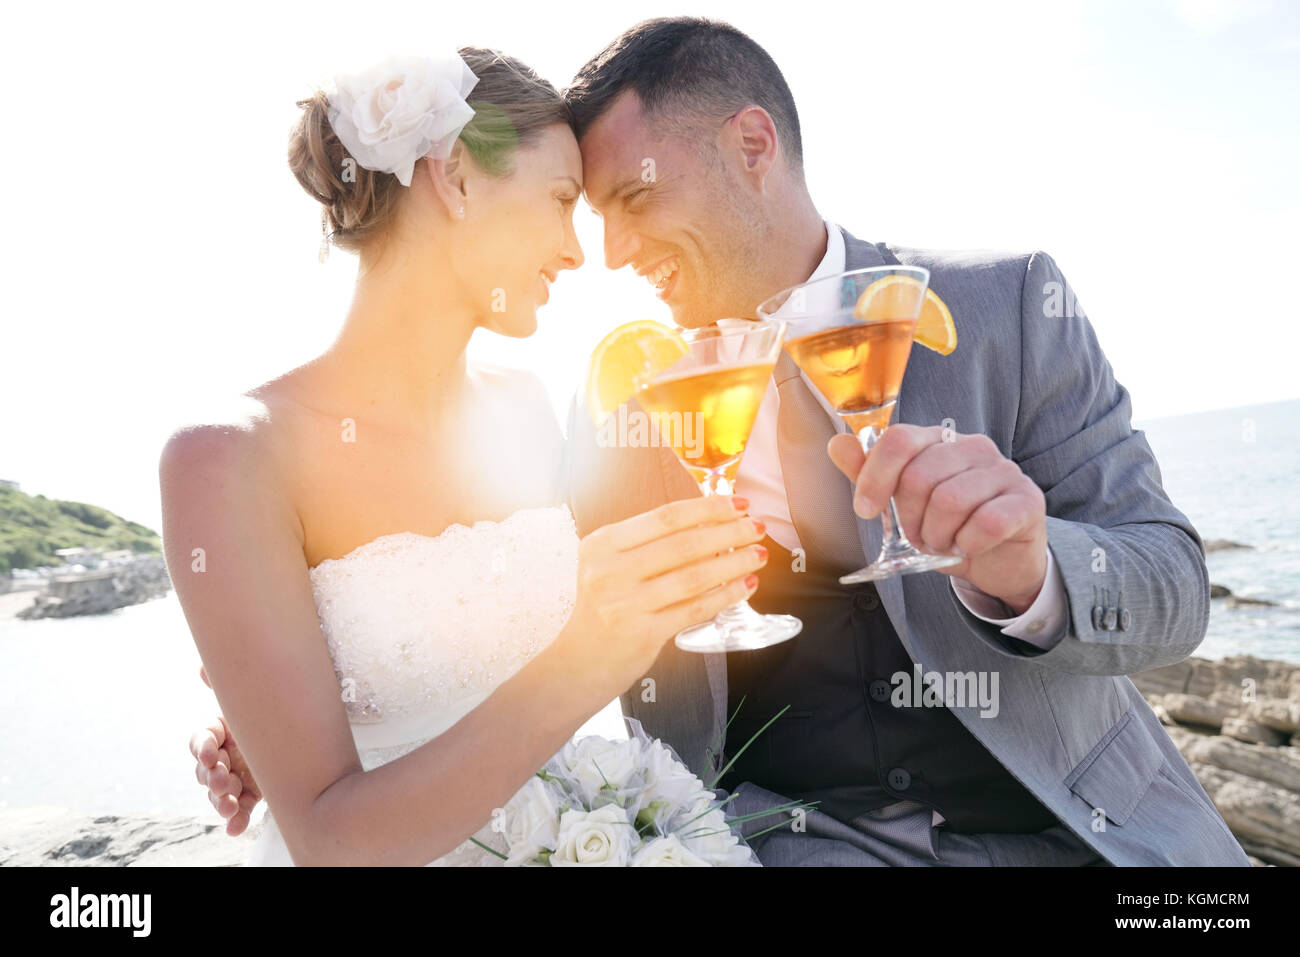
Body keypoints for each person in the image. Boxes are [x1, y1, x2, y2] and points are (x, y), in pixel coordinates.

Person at [192, 18, 1250, 866]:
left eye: (632, 196)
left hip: (1078, 830)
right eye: (583, 207)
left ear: (753, 145)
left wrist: (1034, 570)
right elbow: (529, 601)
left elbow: (1173, 590)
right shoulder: (616, 392)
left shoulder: (1007, 302)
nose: (608, 252)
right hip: (774, 839)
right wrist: (296, 720)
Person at [164, 46, 767, 866]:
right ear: (452, 176)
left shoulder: (524, 406)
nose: (575, 251)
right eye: (560, 201)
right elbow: (330, 840)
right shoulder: (229, 457)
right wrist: (578, 661)